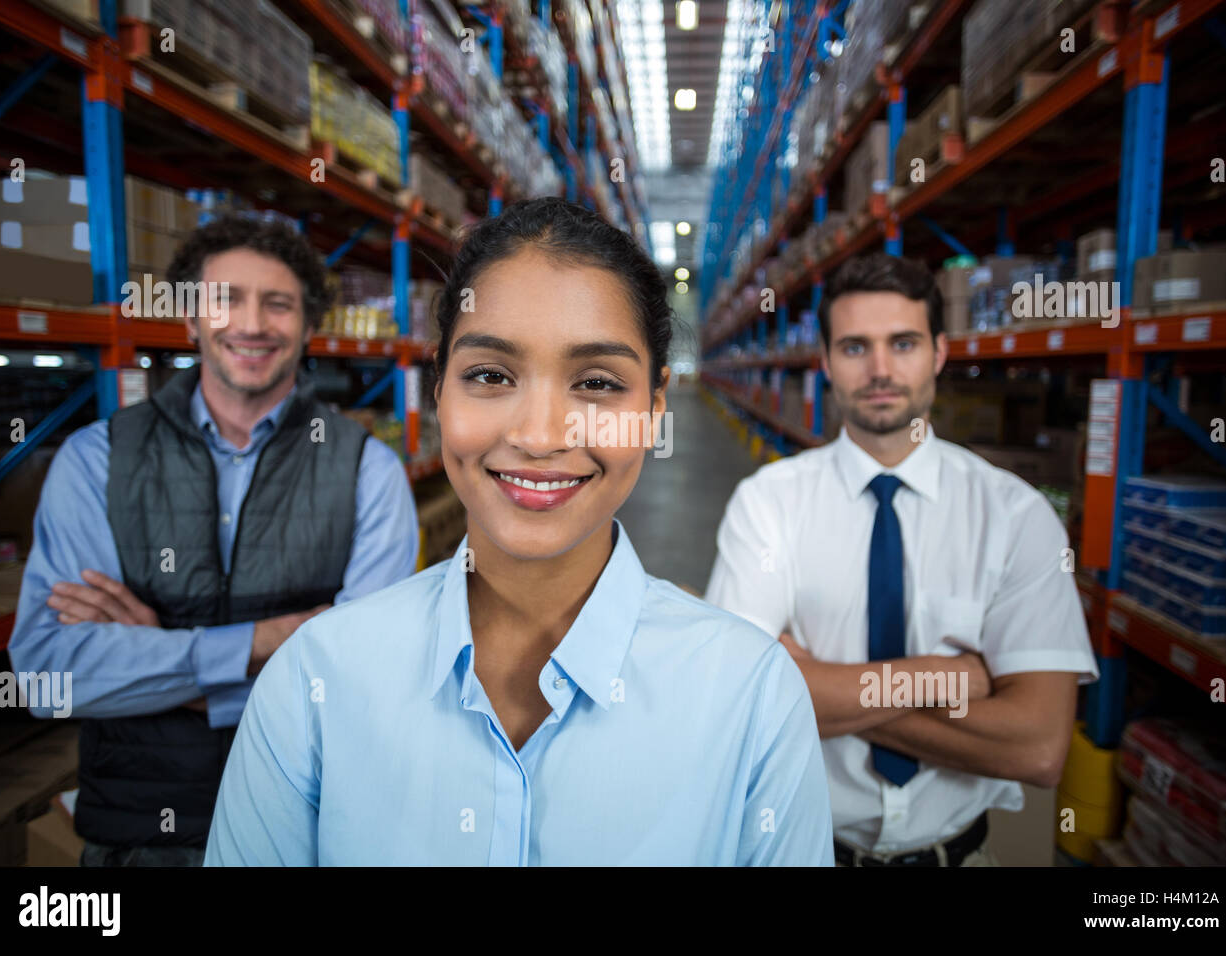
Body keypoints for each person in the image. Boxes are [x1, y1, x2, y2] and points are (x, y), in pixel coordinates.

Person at [204, 197, 834, 866]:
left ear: (654, 411)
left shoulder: (752, 698)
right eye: (490, 375)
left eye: (595, 383)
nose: (538, 435)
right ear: (439, 389)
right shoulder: (313, 682)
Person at [9, 213, 419, 866]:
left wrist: (157, 652)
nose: (252, 324)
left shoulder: (368, 469)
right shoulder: (97, 461)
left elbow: (370, 684)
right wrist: (261, 645)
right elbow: (48, 674)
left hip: (312, 829)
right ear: (191, 320)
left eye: (277, 304)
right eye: (225, 300)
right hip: (143, 836)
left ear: (308, 326)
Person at [705, 252, 1098, 867]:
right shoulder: (768, 504)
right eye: (856, 347)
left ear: (939, 353)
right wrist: (957, 678)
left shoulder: (1016, 518)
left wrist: (817, 691)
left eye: (904, 343)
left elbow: (1038, 750)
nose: (881, 369)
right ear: (827, 362)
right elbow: (737, 706)